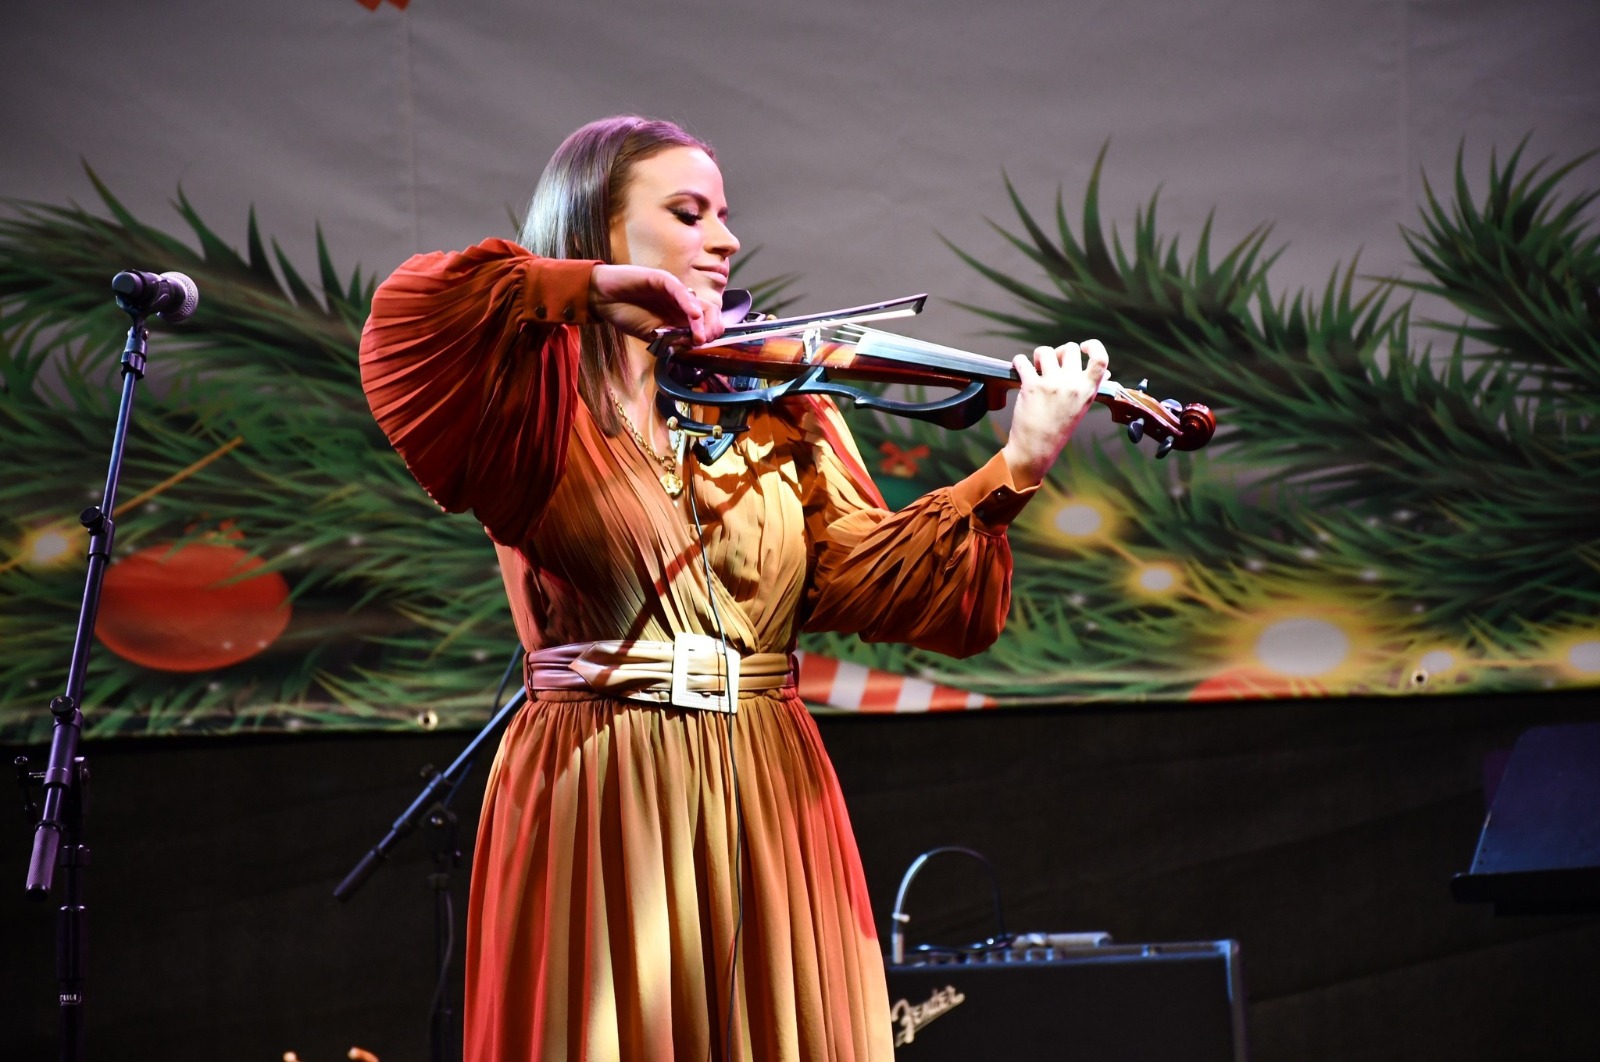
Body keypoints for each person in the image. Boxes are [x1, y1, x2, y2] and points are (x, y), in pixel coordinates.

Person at [359, 115, 1109, 1062]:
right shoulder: (527, 401)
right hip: (601, 778)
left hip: (766, 773)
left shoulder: (769, 400)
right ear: (596, 229)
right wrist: (594, 292)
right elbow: (413, 311)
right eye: (688, 212)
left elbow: (872, 583)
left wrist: (1016, 465)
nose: (725, 239)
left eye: (726, 214)